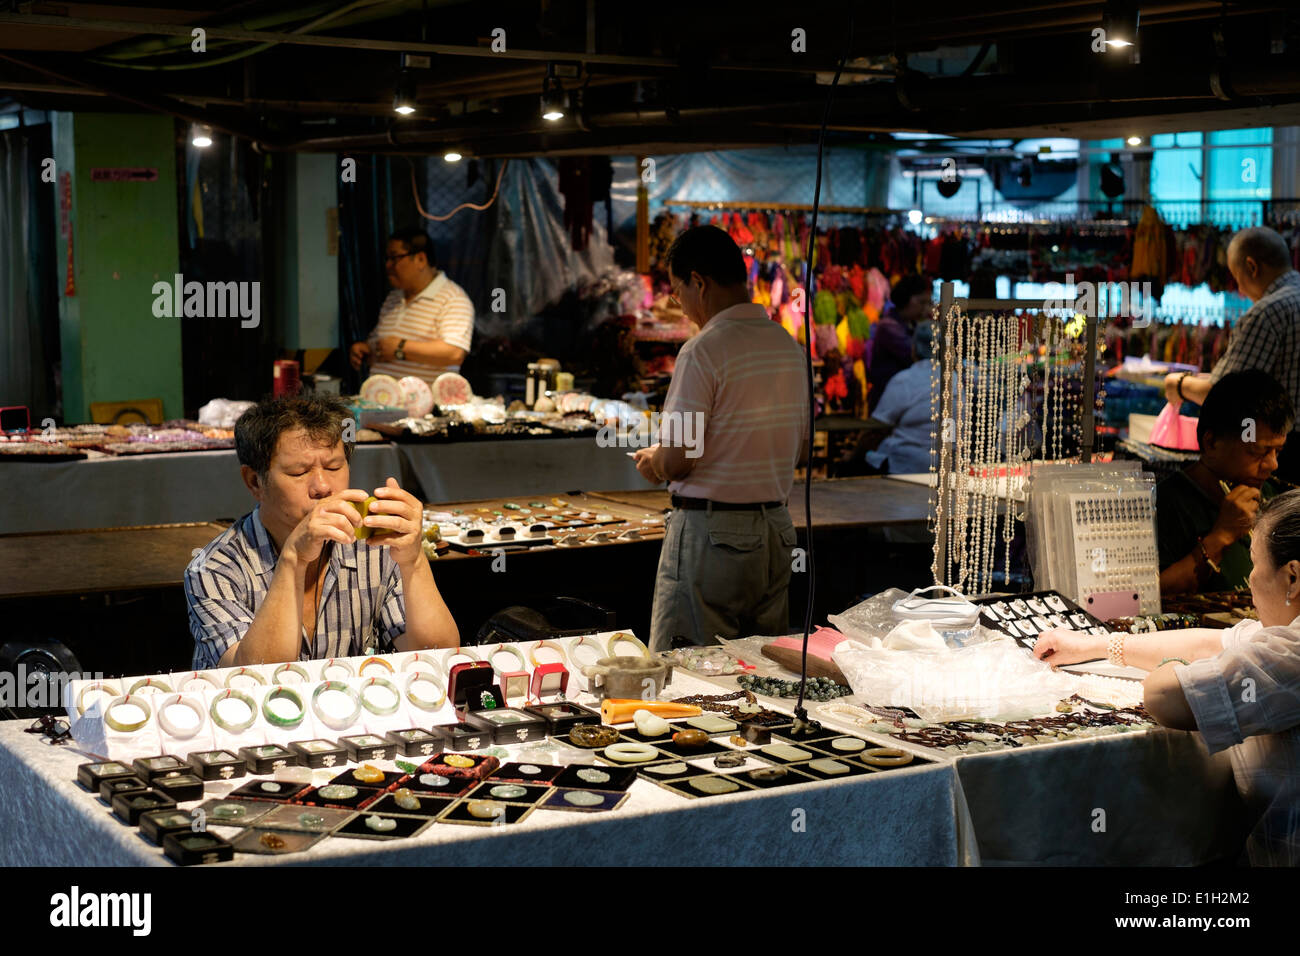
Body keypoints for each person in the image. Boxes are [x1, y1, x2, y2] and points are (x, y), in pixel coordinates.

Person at [1034, 489, 1300, 866]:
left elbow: (1168, 698)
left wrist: (1173, 668)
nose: (1250, 578)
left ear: (1292, 576)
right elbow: (1213, 644)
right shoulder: (1284, 638)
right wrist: (1095, 646)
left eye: (1255, 563)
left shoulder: (1292, 654)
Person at [185, 395, 458, 669]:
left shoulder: (376, 547)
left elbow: (438, 657)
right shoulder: (213, 569)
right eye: (298, 472)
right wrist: (293, 559)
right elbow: (255, 676)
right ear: (255, 481)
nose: (323, 487)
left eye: (333, 467)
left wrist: (413, 562)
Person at [633, 225, 808, 652]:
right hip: (777, 534)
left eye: (677, 291)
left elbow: (680, 458)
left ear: (698, 282)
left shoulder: (703, 349)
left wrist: (656, 461)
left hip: (714, 538)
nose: (681, 304)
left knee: (689, 670)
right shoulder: (787, 345)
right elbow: (800, 448)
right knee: (764, 672)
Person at [1164, 227, 1300, 485]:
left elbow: (1224, 397)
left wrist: (1178, 385)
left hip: (1280, 449)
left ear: (1251, 267)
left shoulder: (1268, 314)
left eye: (1237, 276)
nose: (1238, 287)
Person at [1156, 370, 1293, 595]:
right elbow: (1150, 598)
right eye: (1257, 451)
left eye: (1278, 451)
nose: (1272, 464)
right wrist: (1222, 536)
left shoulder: (1273, 496)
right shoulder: (1166, 504)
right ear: (1211, 443)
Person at [349, 227, 474, 384]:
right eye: (387, 258)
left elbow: (454, 353)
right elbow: (383, 343)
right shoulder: (393, 298)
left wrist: (401, 348)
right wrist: (366, 348)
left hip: (425, 406)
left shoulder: (453, 299)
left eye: (395, 258)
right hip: (381, 401)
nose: (388, 265)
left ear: (421, 259)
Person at [861, 320, 935, 476]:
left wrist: (852, 456)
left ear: (914, 349)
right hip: (942, 464)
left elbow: (877, 427)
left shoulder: (907, 380)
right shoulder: (956, 379)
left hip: (905, 465)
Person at [868, 273, 931, 411]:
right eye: (922, 302)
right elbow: (918, 355)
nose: (925, 308)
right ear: (908, 300)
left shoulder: (910, 325)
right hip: (888, 402)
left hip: (904, 399)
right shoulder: (889, 327)